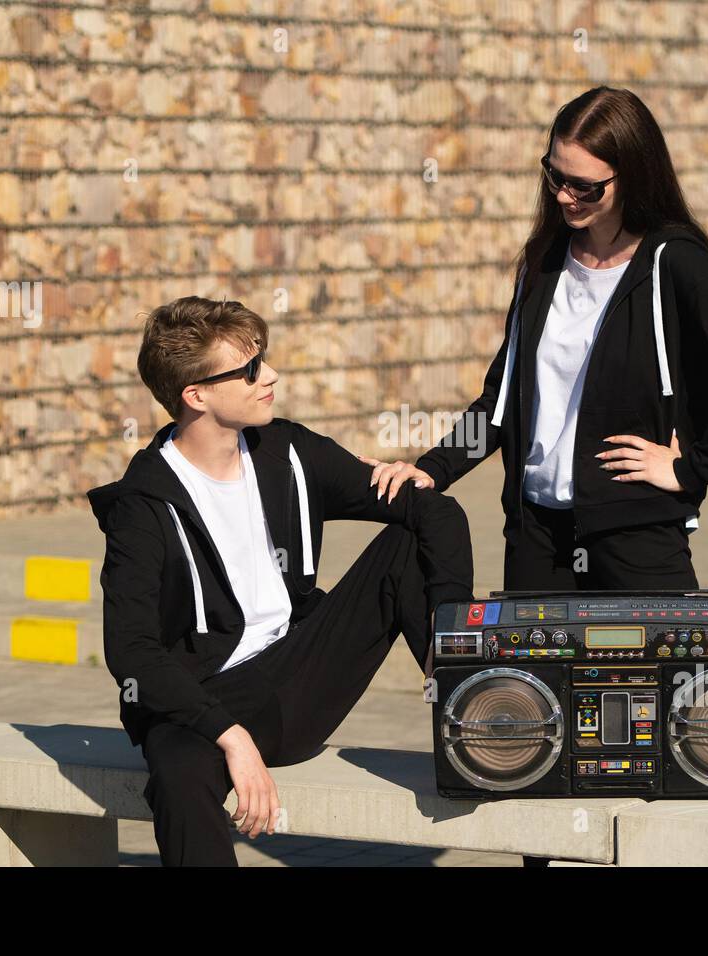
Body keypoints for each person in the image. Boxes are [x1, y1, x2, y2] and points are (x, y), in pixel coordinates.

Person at [364, 86, 708, 593]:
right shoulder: (545, 261)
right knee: (532, 676)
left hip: (636, 529)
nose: (564, 196)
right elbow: (501, 399)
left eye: (585, 186)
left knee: (654, 675)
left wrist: (692, 468)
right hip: (536, 534)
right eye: (554, 175)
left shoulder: (674, 262)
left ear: (632, 176)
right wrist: (434, 470)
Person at [87, 295, 474, 866]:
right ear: (196, 395)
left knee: (413, 535)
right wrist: (231, 736)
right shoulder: (143, 505)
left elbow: (435, 513)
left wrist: (452, 646)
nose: (269, 376)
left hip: (303, 671)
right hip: (207, 699)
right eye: (248, 370)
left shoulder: (287, 450)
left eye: (262, 359)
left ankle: (472, 699)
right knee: (177, 772)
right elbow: (133, 651)